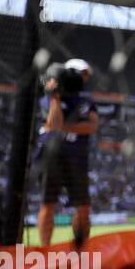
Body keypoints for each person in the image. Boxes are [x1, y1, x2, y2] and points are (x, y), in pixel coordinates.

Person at [35, 59, 98, 247]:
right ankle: (45, 250)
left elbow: (91, 126)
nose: (85, 79)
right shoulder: (47, 98)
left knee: (83, 207)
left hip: (77, 158)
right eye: (82, 74)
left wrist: (64, 126)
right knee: (48, 204)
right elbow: (54, 124)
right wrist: (54, 95)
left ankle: (81, 249)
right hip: (51, 157)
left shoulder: (86, 101)